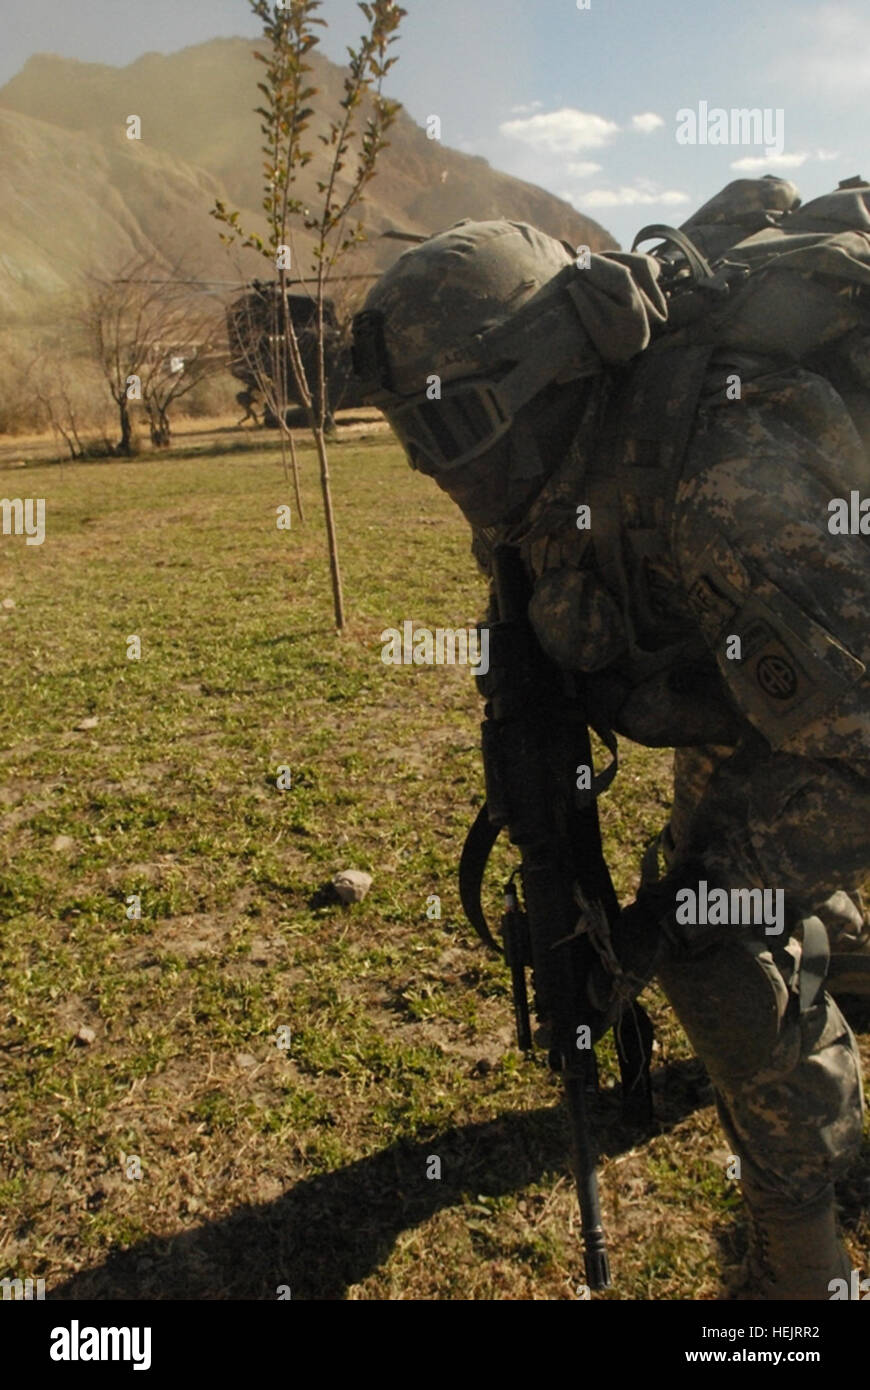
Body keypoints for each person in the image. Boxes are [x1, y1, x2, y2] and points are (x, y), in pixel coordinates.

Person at [350, 192, 870, 1300]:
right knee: (727, 885)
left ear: (542, 378)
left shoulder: (718, 479)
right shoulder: (549, 468)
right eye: (410, 434)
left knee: (708, 933)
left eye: (445, 427)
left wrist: (664, 923)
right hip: (756, 694)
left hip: (846, 720)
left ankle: (799, 1256)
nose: (431, 469)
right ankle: (839, 981)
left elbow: (857, 757)